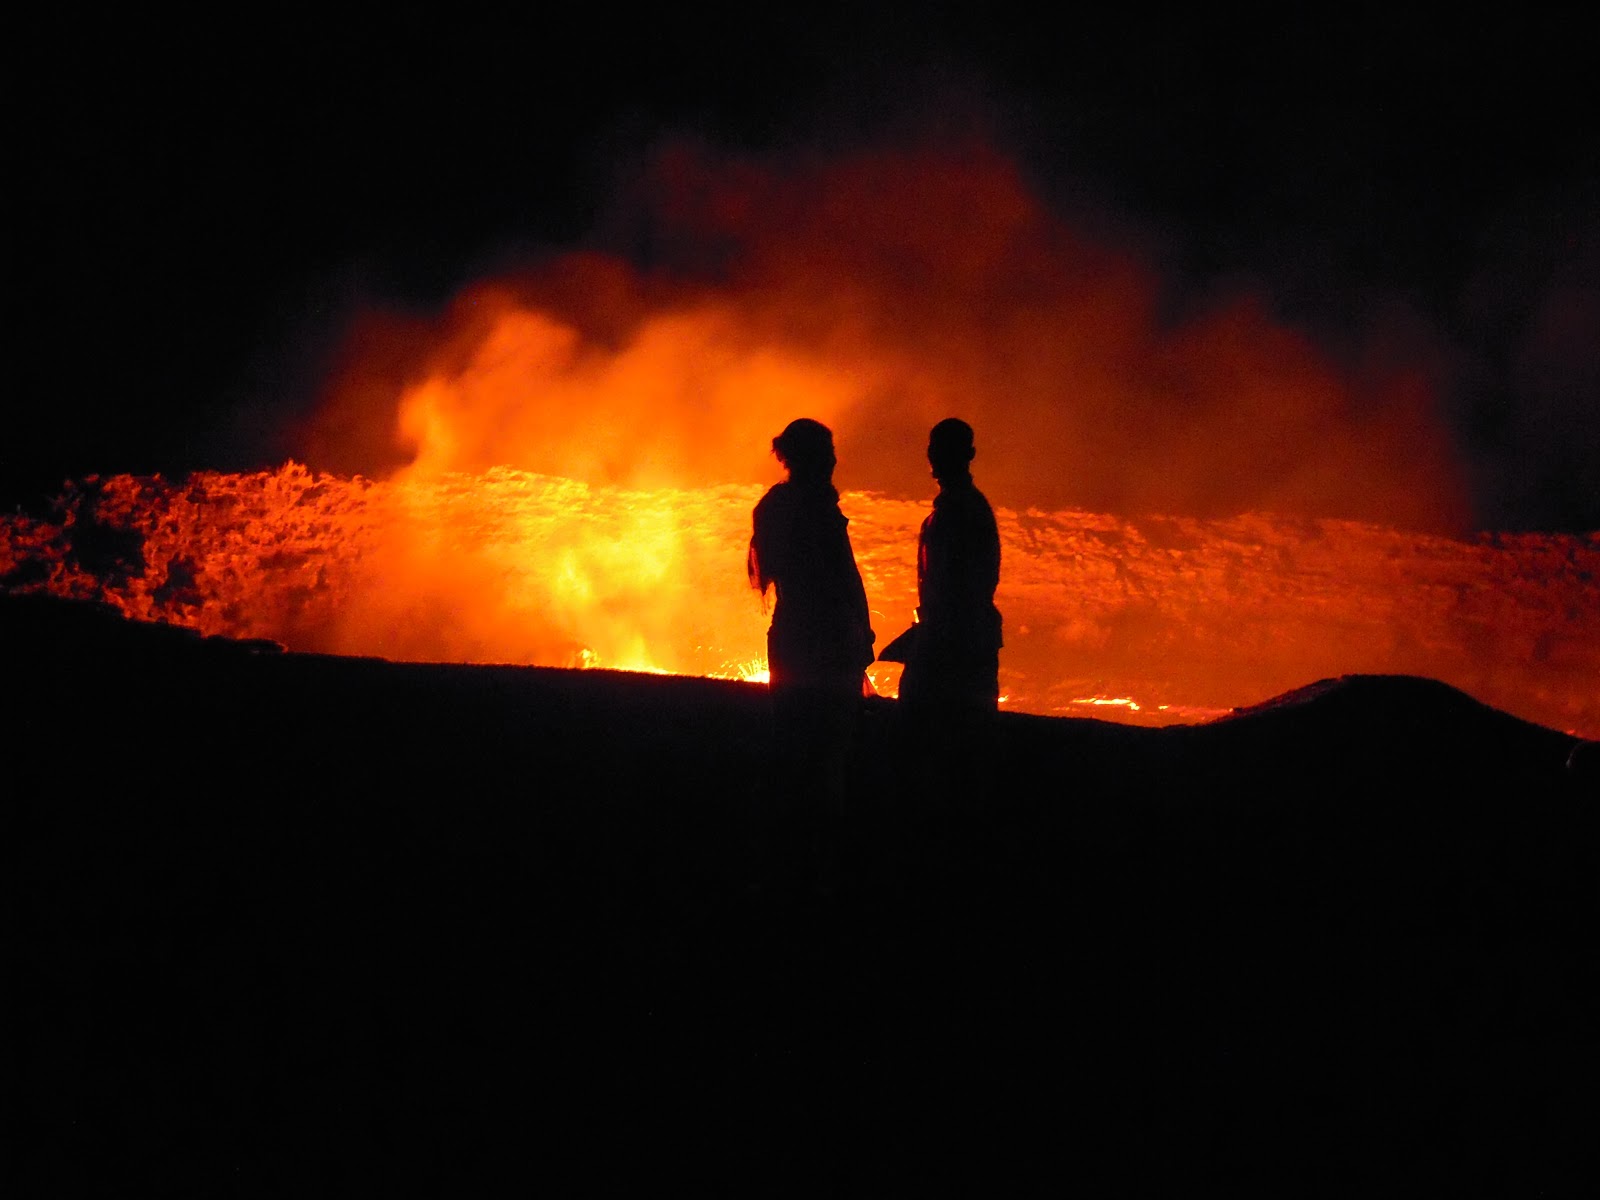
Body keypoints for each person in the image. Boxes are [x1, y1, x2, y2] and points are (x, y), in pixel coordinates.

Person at [747, 418, 875, 884]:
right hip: (825, 641)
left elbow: (767, 575)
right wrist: (858, 637)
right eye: (830, 451)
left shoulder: (772, 508)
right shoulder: (818, 509)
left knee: (794, 746)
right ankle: (821, 861)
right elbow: (839, 577)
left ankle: (790, 855)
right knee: (827, 752)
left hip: (790, 635)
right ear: (814, 457)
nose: (837, 459)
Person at [897, 418, 1003, 723]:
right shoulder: (957, 510)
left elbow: (960, 587)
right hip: (955, 640)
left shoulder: (960, 512)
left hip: (955, 646)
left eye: (943, 449)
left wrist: (932, 635)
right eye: (934, 448)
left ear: (967, 454)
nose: (934, 456)